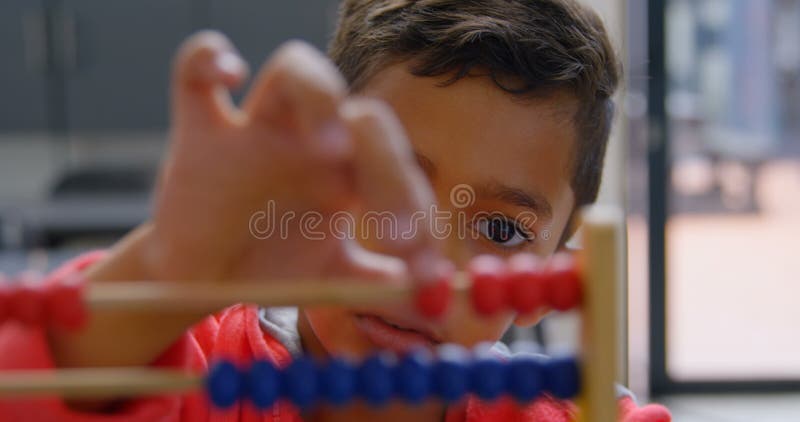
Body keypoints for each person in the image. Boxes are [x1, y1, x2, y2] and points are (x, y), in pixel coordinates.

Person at [0, 1, 671, 421]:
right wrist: (164, 270)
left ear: (549, 281)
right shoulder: (197, 376)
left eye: (500, 228)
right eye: (381, 181)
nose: (421, 263)